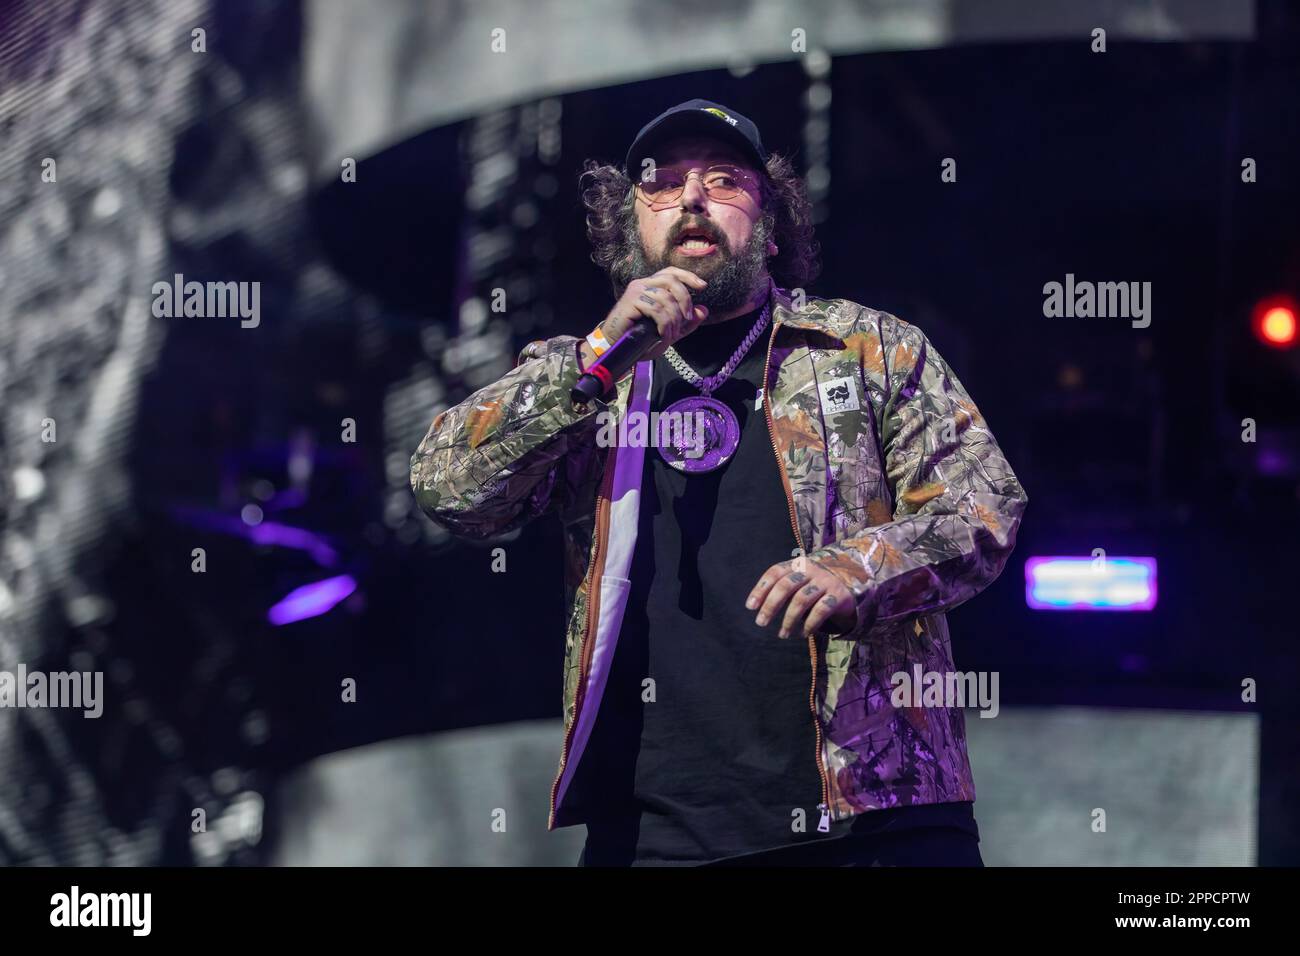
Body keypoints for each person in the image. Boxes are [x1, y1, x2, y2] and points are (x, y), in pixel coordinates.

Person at [411, 99, 1028, 866]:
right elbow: (447, 488)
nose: (692, 199)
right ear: (628, 226)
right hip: (655, 831)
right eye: (661, 186)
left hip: (875, 817)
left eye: (723, 180)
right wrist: (597, 359)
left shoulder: (866, 347)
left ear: (770, 224)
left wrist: (858, 567)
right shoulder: (587, 373)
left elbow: (984, 506)